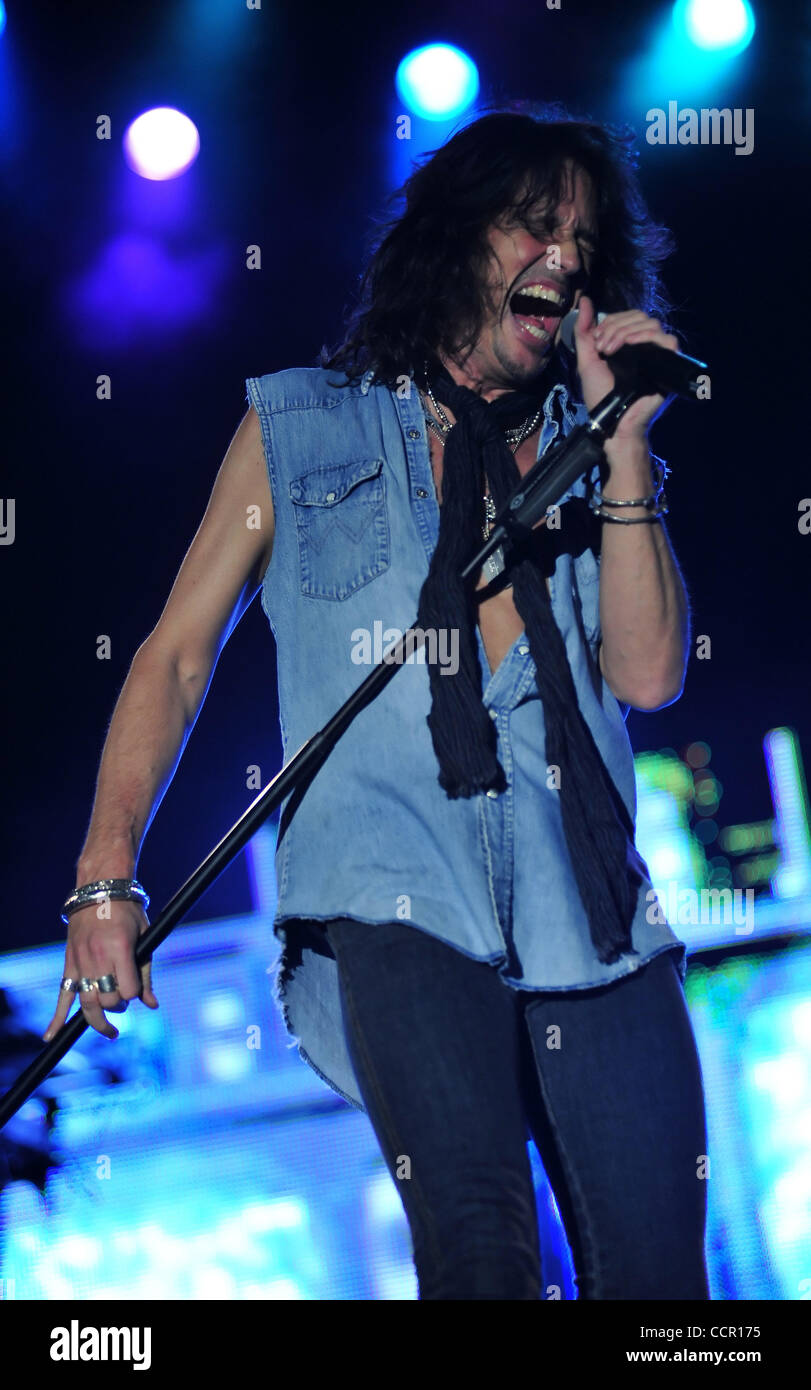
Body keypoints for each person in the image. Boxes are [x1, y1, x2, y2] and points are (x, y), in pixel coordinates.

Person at [44, 107, 710, 1301]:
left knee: (664, 1292)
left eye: (579, 236)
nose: (559, 253)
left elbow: (651, 676)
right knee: (477, 1247)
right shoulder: (300, 429)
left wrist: (623, 450)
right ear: (456, 240)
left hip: (593, 913)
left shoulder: (587, 443)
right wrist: (106, 877)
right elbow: (177, 657)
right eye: (528, 224)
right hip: (393, 894)